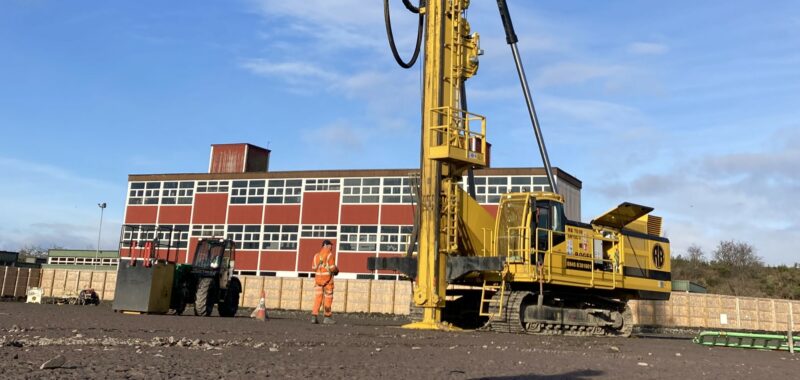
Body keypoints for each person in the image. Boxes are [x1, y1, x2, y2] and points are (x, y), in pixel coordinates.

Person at [311, 240, 338, 324]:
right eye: (330, 245)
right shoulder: (329, 255)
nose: (331, 247)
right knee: (328, 299)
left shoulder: (316, 256)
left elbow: (313, 268)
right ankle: (327, 317)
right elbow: (332, 268)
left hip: (318, 281)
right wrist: (337, 270)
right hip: (328, 281)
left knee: (318, 298)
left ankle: (314, 316)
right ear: (326, 245)